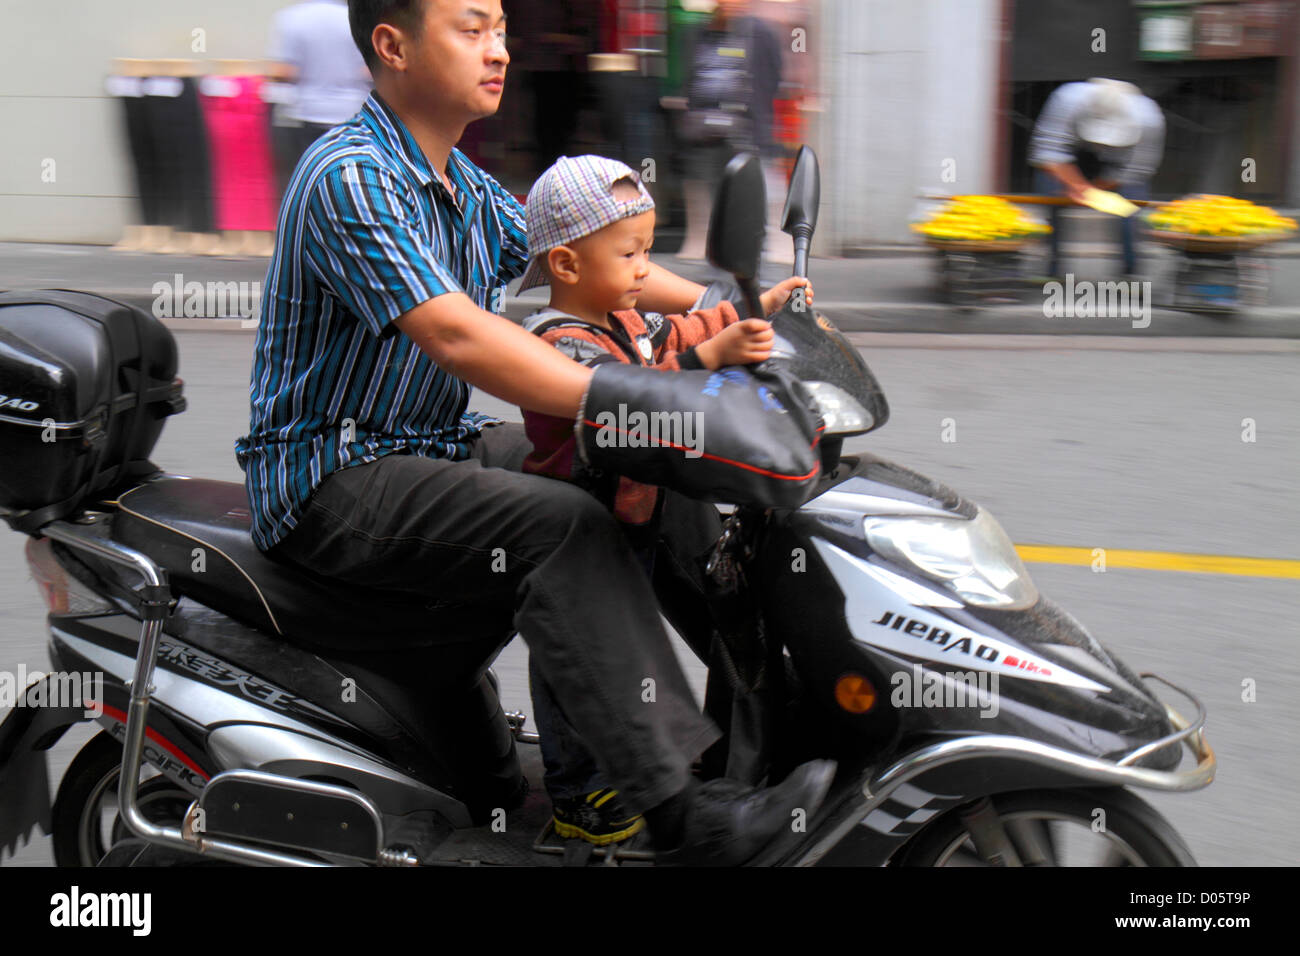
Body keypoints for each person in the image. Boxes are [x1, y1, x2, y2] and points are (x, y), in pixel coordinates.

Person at [234, 0, 833, 866]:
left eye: (501, 29)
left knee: (645, 463)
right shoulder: (349, 176)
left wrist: (726, 307)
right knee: (568, 522)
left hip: (427, 446)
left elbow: (593, 250)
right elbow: (461, 337)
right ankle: (679, 812)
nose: (500, 50)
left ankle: (762, 732)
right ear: (393, 46)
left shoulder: (465, 190)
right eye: (472, 29)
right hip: (331, 474)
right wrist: (629, 393)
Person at [515, 154, 812, 845]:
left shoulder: (622, 318)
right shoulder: (560, 341)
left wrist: (753, 310)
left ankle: (724, 742)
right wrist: (710, 360)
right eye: (630, 253)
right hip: (581, 526)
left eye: (648, 250)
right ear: (565, 264)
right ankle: (580, 795)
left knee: (643, 638)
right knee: (576, 666)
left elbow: (676, 337)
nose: (645, 269)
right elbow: (630, 396)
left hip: (638, 515)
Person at [675, 0, 784, 261]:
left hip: (748, 127)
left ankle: (768, 248)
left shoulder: (759, 32)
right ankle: (716, 250)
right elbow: (691, 74)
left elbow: (772, 76)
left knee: (759, 186)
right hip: (706, 130)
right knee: (711, 188)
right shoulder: (699, 32)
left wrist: (755, 112)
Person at [1029, 77, 1165, 278]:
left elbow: (1133, 170)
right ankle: (1052, 267)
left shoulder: (1149, 119)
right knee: (1050, 195)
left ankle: (1130, 272)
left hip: (1120, 161)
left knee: (1129, 210)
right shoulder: (1067, 99)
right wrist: (1076, 187)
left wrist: (1092, 193)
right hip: (1076, 152)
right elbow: (1048, 153)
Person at [266, 0, 374, 201]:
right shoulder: (360, 19)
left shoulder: (290, 19)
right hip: (351, 114)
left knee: (305, 185)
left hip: (305, 115)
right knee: (351, 186)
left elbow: (284, 71)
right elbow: (369, 71)